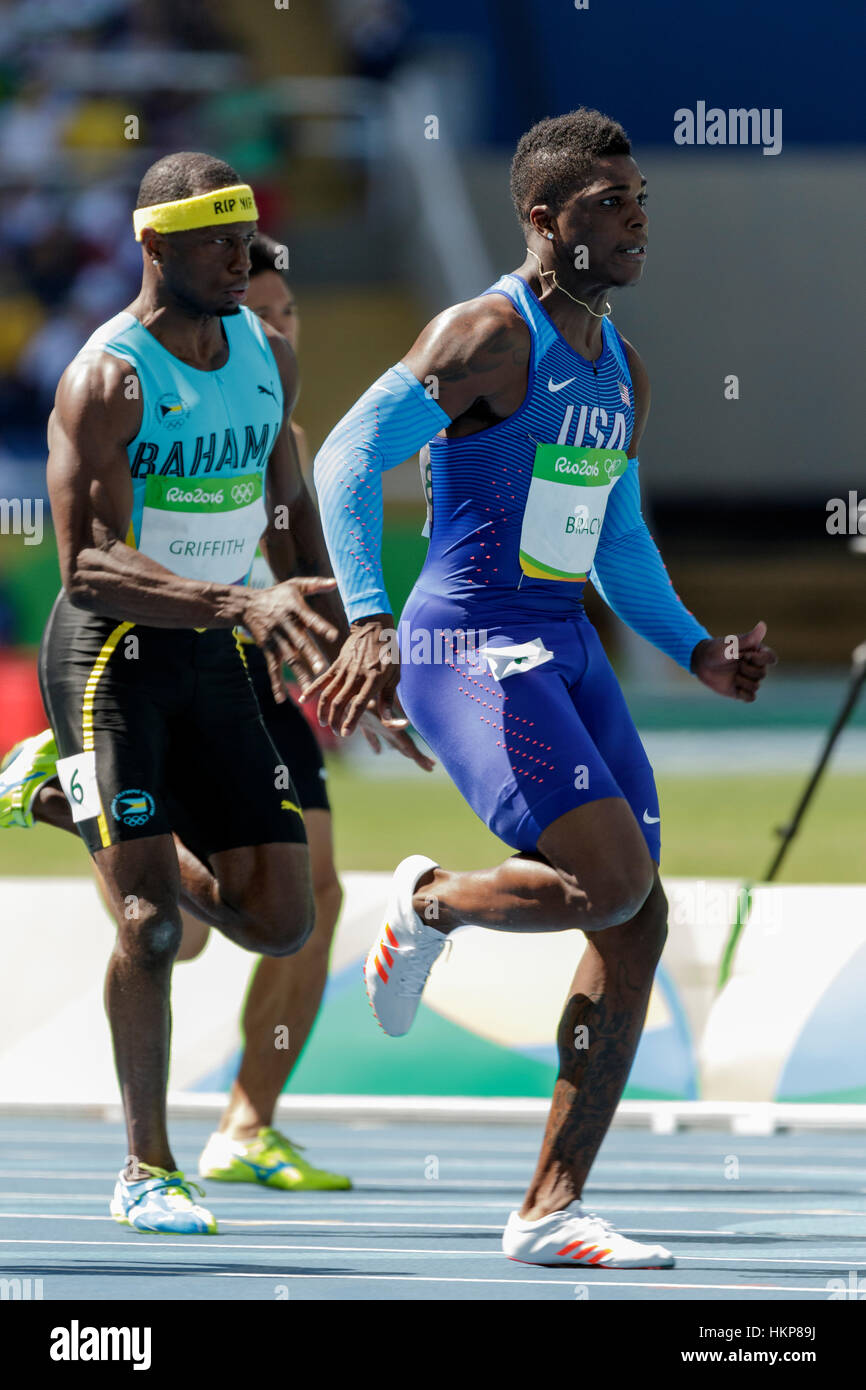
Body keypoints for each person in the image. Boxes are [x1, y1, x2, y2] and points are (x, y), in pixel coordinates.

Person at [309, 109, 777, 1269]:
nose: (633, 224)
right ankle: (429, 906)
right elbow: (346, 457)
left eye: (639, 205)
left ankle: (547, 1209)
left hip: (562, 645)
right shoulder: (483, 336)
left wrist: (694, 650)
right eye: (609, 205)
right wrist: (368, 615)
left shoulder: (621, 369)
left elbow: (615, 543)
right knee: (610, 882)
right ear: (542, 218)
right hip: (466, 646)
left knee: (637, 915)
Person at [1, 151, 410, 1236]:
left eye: (246, 237)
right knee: (148, 929)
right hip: (109, 659)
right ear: (152, 247)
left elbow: (284, 512)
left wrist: (343, 633)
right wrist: (241, 609)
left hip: (221, 652)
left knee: (281, 922)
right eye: (216, 241)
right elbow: (86, 561)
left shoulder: (266, 354)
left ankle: (59, 799)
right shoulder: (108, 377)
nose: (240, 258)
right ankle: (147, 1165)